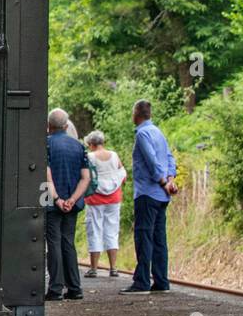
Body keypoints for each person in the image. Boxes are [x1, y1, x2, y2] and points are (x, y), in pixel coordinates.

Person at [124, 100, 178, 294]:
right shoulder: (158, 132)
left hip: (147, 192)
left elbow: (151, 162)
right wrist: (171, 180)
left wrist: (163, 182)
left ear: (136, 113)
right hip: (162, 197)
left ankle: (142, 282)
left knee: (143, 237)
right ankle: (162, 281)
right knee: (159, 239)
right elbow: (170, 159)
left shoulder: (142, 134)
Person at [44, 107, 89, 301]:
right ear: (66, 125)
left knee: (53, 243)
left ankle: (55, 289)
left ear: (49, 126)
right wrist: (72, 199)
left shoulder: (45, 144)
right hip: (73, 202)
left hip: (51, 202)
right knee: (68, 242)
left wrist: (57, 199)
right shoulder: (78, 146)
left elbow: (47, 175)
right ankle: (75, 288)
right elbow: (85, 177)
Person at [83, 130, 126, 277]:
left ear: (91, 144)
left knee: (94, 230)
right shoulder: (114, 155)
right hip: (114, 198)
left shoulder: (90, 156)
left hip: (95, 199)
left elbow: (85, 176)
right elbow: (123, 174)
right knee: (112, 230)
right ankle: (113, 268)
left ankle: (94, 269)